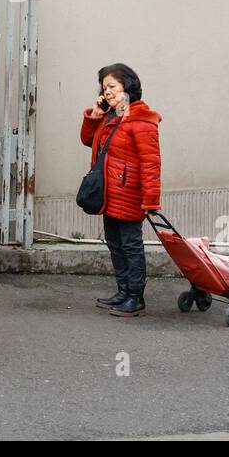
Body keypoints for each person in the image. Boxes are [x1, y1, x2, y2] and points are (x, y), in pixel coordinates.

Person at [80, 63, 162, 317]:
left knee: (130, 245)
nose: (107, 92)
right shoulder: (111, 116)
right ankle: (123, 291)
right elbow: (87, 140)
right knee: (115, 243)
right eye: (104, 88)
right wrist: (95, 113)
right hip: (110, 193)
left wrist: (151, 199)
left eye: (112, 86)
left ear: (127, 86)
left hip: (130, 195)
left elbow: (151, 163)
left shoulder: (141, 119)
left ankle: (135, 297)